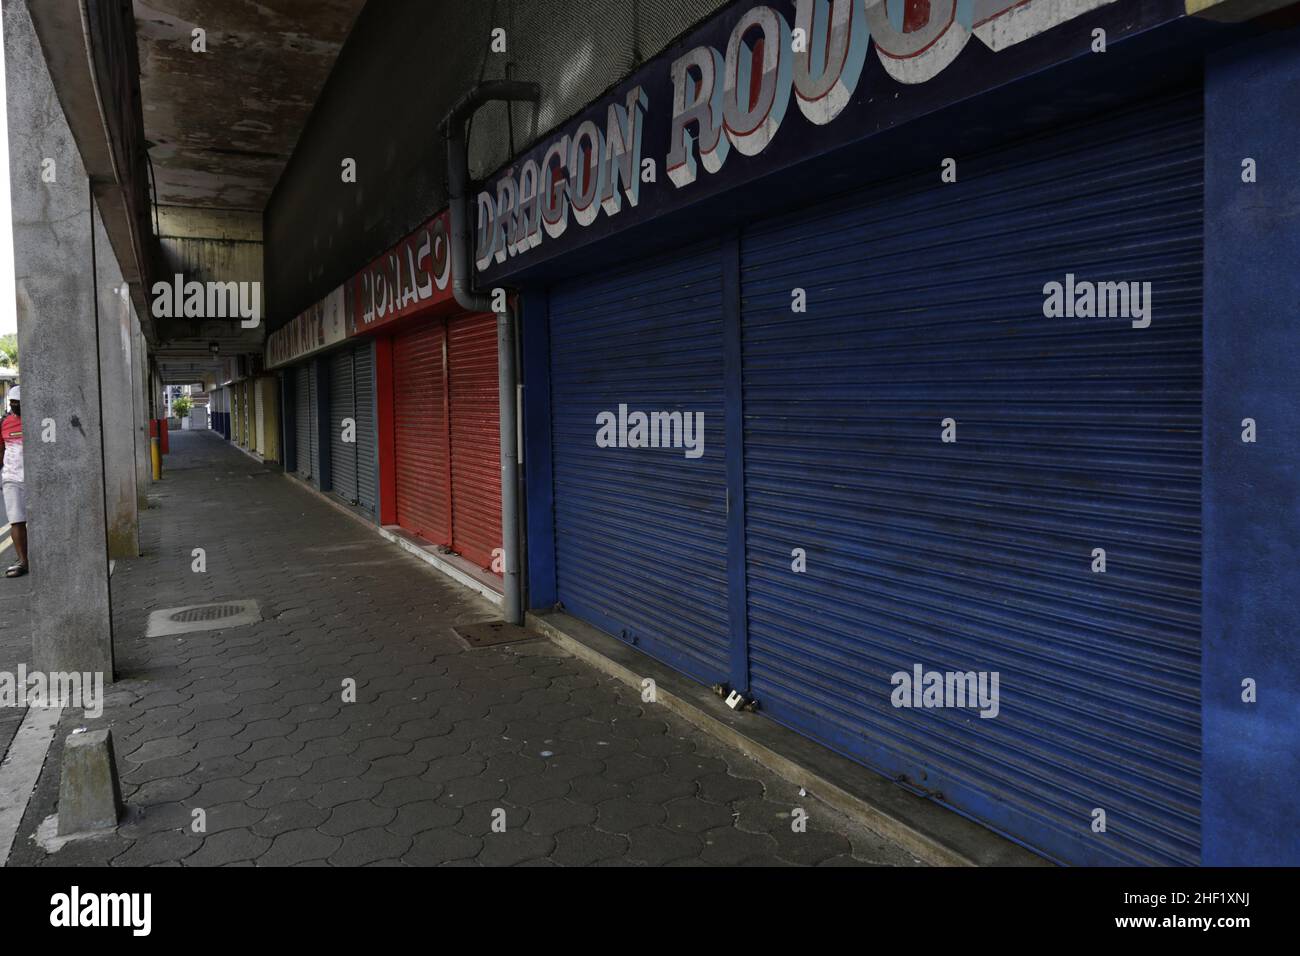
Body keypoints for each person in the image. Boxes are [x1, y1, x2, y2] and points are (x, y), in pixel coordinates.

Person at [2, 385, 26, 577]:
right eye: (12, 403)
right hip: (12, 478)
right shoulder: (5, 423)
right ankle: (22, 561)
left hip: (38, 480)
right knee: (16, 520)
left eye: (17, 403)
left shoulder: (39, 421)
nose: (14, 406)